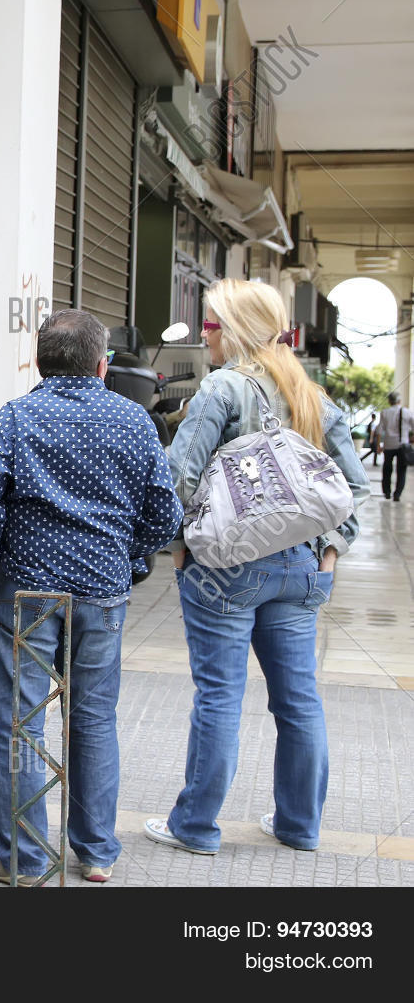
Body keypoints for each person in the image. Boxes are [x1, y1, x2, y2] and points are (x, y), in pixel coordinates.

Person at [146, 278, 369, 856]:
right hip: (300, 569)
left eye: (212, 324)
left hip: (224, 568)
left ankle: (194, 827)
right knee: (298, 700)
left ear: (237, 330)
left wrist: (177, 547)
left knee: (219, 696)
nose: (204, 335)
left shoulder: (221, 388)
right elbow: (355, 486)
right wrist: (330, 549)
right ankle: (299, 826)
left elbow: (179, 477)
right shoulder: (313, 395)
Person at [0, 309, 182, 885]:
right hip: (102, 597)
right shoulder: (133, 422)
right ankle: (97, 853)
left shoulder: (17, 417)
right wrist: (128, 560)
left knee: (21, 724)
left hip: (27, 595)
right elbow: (165, 516)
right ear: (102, 365)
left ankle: (26, 861)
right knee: (93, 718)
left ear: (38, 361)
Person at [375, 390, 411, 501]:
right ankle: (397, 494)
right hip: (402, 445)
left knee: (387, 469)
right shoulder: (407, 412)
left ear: (389, 401)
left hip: (388, 445)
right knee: (401, 470)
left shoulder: (384, 412)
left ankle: (387, 492)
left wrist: (378, 446)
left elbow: (379, 430)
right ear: (399, 401)